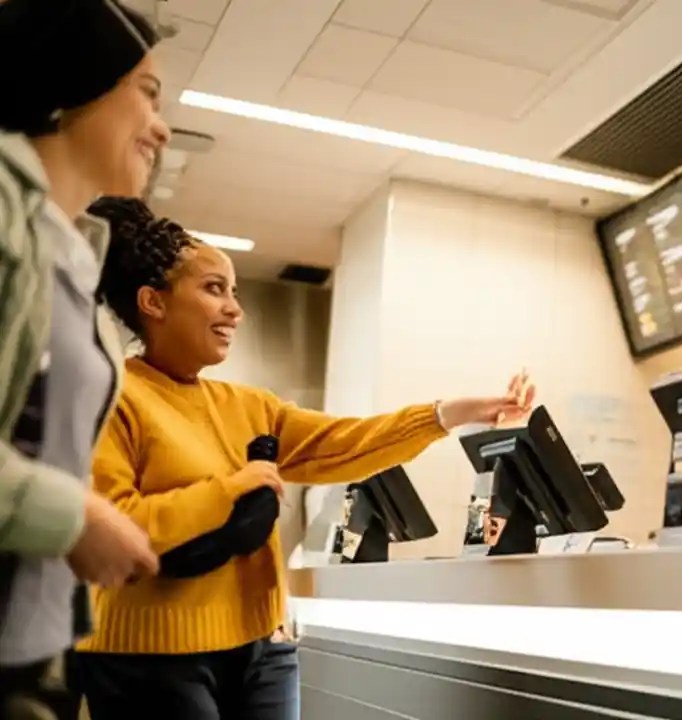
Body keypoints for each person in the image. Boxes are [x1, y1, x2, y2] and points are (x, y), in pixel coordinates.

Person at [73, 196, 538, 719]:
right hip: (149, 659)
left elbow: (350, 443)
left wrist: (449, 413)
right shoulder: (112, 397)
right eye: (213, 289)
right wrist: (231, 489)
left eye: (234, 292)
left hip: (261, 650)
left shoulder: (247, 405)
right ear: (153, 302)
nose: (234, 310)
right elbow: (108, 526)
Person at [0, 1, 170, 717]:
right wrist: (70, 518)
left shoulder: (72, 249)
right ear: (75, 84)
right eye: (147, 92)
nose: (160, 126)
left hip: (33, 647)